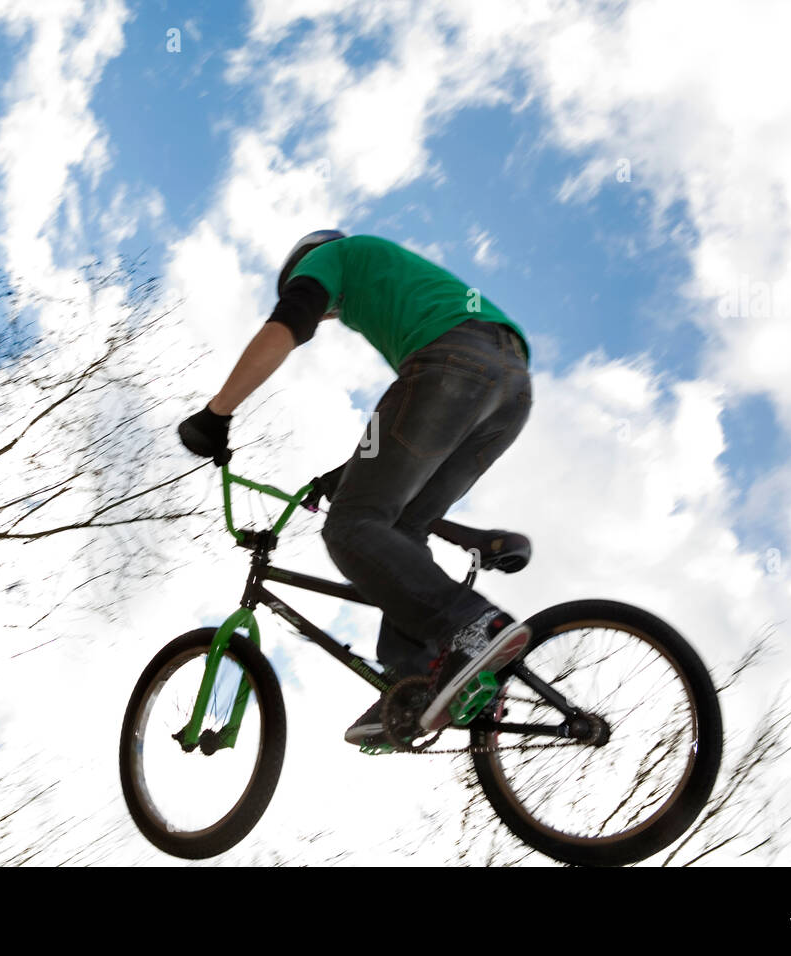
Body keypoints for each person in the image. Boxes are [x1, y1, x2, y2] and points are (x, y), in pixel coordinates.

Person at [178, 230, 533, 746]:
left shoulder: (332, 256)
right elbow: (411, 439)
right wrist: (342, 475)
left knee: (349, 526)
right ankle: (411, 682)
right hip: (511, 389)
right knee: (398, 529)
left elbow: (287, 324)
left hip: (453, 360)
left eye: (319, 302)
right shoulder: (387, 270)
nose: (324, 317)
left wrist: (216, 414)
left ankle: (474, 626)